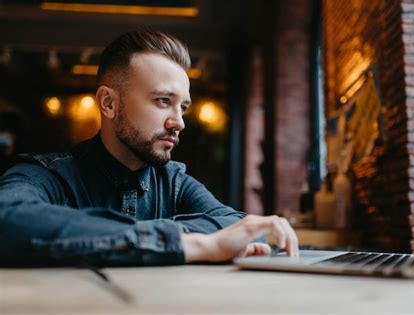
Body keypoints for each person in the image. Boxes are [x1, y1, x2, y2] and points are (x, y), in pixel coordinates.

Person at [0, 31, 298, 266]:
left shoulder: (175, 182)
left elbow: (232, 223)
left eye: (183, 107)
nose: (179, 122)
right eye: (163, 101)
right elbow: (7, 219)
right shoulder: (49, 176)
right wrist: (192, 244)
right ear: (109, 103)